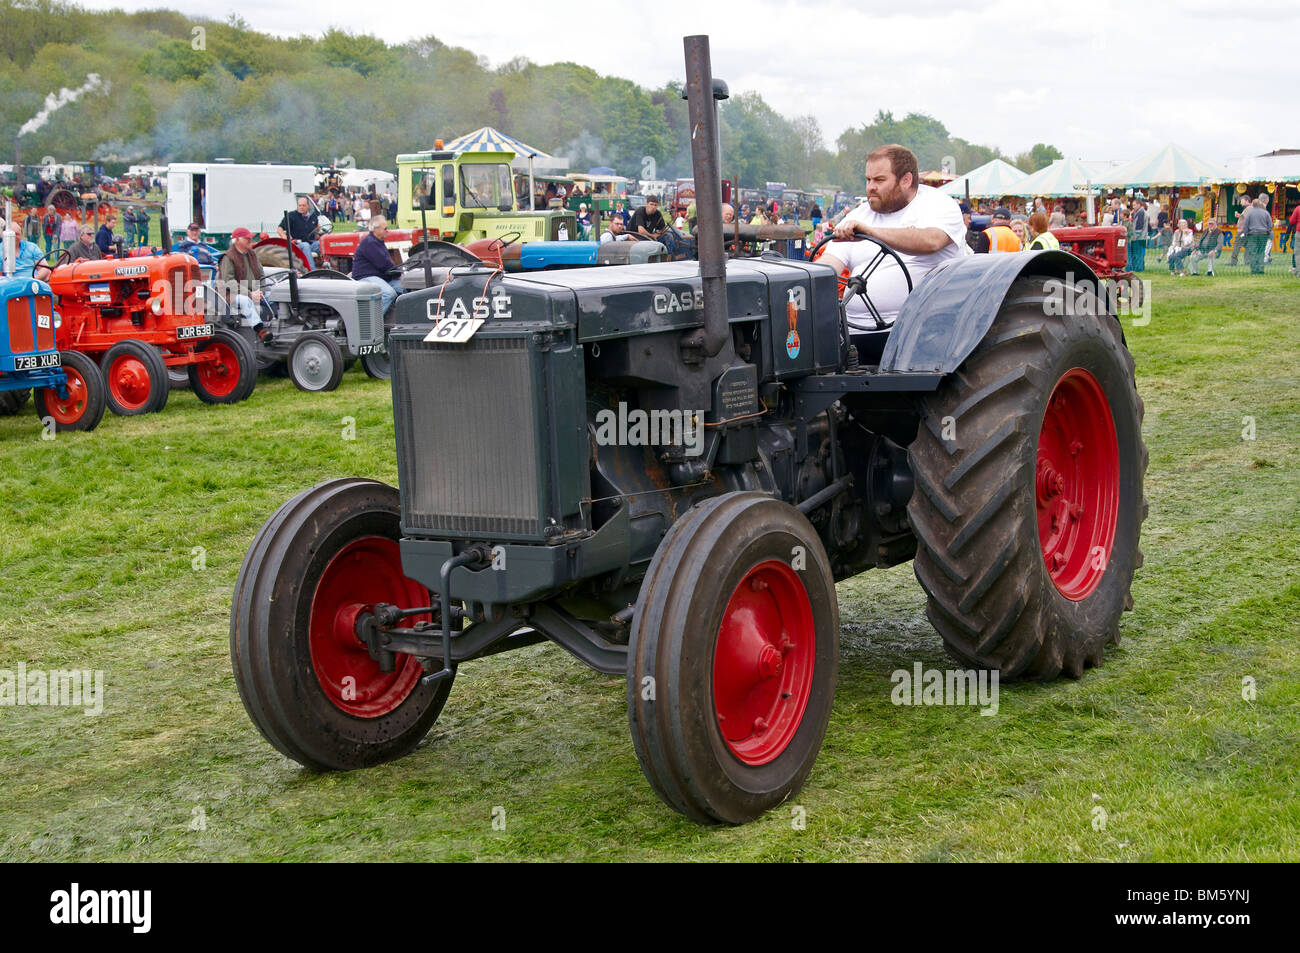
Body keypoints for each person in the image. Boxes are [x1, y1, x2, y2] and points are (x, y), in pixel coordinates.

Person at [819, 144, 965, 332]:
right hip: (851, 331)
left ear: (906, 180)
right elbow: (830, 264)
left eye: (879, 180)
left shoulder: (938, 205)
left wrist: (870, 232)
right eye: (868, 180)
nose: (871, 187)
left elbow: (931, 241)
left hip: (918, 331)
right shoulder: (859, 215)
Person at [217, 227, 272, 340]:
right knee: (245, 301)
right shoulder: (228, 257)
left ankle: (277, 323)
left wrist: (260, 290)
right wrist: (250, 294)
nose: (249, 240)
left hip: (253, 291)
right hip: (229, 294)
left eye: (249, 238)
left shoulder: (252, 254)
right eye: (246, 238)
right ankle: (260, 330)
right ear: (237, 240)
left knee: (272, 295)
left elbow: (261, 274)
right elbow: (228, 282)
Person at [351, 217, 404, 315]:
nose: (387, 231)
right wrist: (398, 274)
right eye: (385, 229)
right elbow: (384, 265)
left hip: (379, 277)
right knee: (388, 294)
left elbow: (386, 264)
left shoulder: (377, 242)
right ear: (375, 229)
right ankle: (371, 322)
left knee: (406, 287)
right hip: (365, 277)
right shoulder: (370, 243)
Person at [278, 196, 321, 268]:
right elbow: (279, 229)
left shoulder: (313, 216)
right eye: (299, 205)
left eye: (303, 205)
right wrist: (284, 236)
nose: (301, 207)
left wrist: (318, 233)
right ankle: (311, 271)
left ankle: (330, 266)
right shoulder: (291, 216)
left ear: (308, 206)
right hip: (297, 245)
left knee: (323, 243)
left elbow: (317, 227)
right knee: (305, 245)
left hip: (311, 243)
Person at [1237, 196, 1272, 274]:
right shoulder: (1266, 212)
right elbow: (1270, 224)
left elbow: (1245, 225)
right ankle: (1260, 269)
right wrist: (1268, 232)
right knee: (1261, 252)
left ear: (1252, 205)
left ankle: (1254, 270)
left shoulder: (1249, 213)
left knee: (1253, 252)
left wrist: (1245, 233)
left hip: (1252, 235)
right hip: (1263, 234)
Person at [1129, 199, 1147, 272]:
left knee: (1138, 253)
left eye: (1134, 205)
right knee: (1138, 253)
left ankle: (1139, 268)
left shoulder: (1141, 213)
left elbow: (1139, 226)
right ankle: (1139, 267)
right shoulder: (1138, 212)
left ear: (1139, 204)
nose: (1133, 207)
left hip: (1139, 237)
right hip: (1141, 236)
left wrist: (1135, 236)